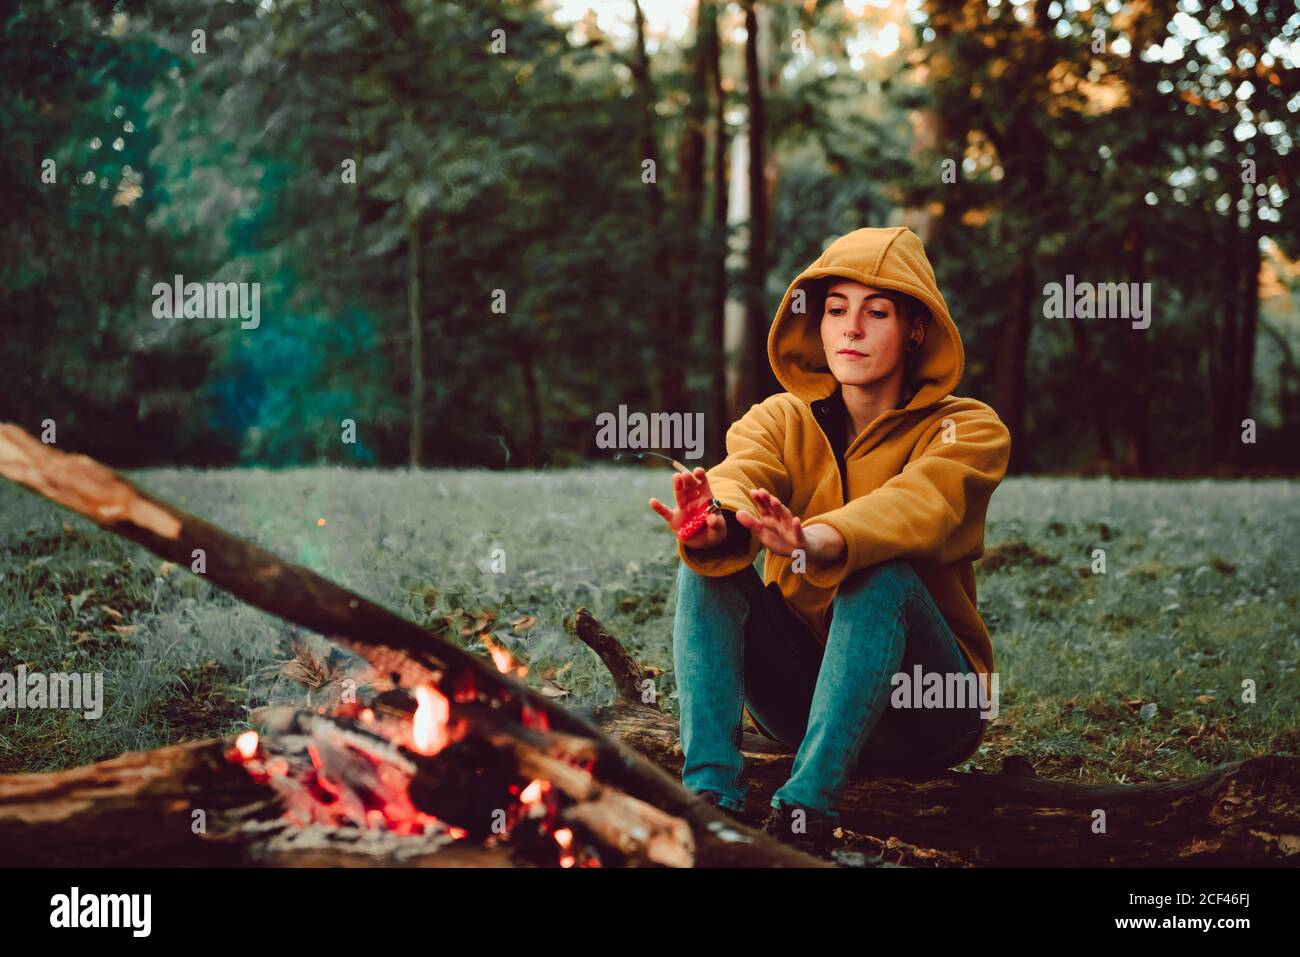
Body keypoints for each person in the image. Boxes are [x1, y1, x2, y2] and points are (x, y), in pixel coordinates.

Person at [648, 226, 1011, 858]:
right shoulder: (779, 418)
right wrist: (721, 520)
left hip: (927, 712)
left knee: (881, 575)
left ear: (916, 329)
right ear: (816, 326)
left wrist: (816, 540)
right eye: (836, 311)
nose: (851, 330)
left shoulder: (968, 428)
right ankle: (709, 798)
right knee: (706, 566)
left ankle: (803, 816)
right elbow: (742, 471)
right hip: (802, 698)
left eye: (877, 314)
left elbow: (919, 507)